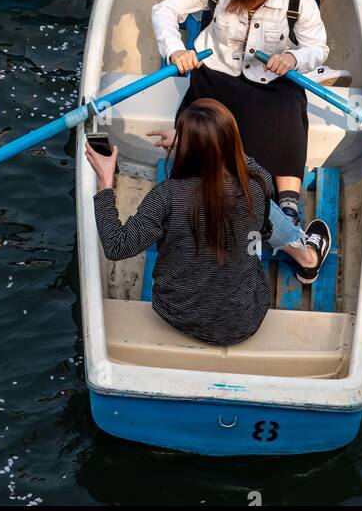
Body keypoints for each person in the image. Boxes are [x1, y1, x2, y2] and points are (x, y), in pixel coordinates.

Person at [86, 99, 332, 348]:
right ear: (232, 140)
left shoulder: (167, 195)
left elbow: (117, 247)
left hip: (177, 315)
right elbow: (244, 164)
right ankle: (305, 253)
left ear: (189, 150)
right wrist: (206, 140)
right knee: (264, 217)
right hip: (245, 320)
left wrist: (105, 184)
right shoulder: (258, 184)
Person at [152, 0, 329, 230]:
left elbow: (318, 47)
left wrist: (292, 58)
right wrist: (175, 50)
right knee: (204, 120)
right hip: (216, 75)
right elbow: (165, 10)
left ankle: (287, 206)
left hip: (271, 82)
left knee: (288, 113)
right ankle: (197, 192)